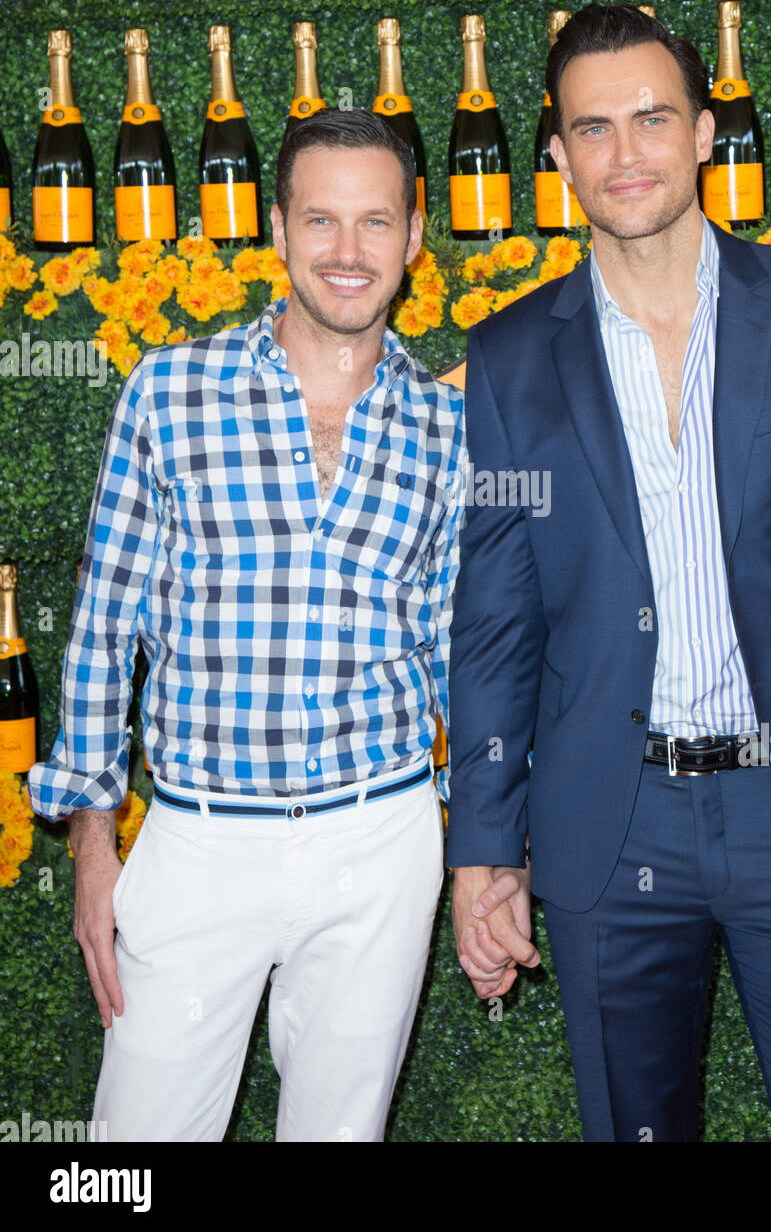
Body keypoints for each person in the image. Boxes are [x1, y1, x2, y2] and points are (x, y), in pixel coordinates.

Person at [445, 4, 771, 1142]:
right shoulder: (512, 356)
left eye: (652, 118)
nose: (626, 154)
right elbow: (495, 622)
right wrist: (483, 845)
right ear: (558, 157)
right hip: (609, 828)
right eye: (594, 129)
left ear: (705, 132)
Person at [28, 108, 466, 1142]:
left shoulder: (447, 426)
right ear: (277, 230)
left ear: (413, 238)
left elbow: (458, 651)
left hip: (380, 836)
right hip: (196, 839)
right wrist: (96, 847)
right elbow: (102, 626)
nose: (346, 252)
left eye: (374, 222)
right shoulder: (169, 393)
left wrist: (488, 842)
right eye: (319, 221)